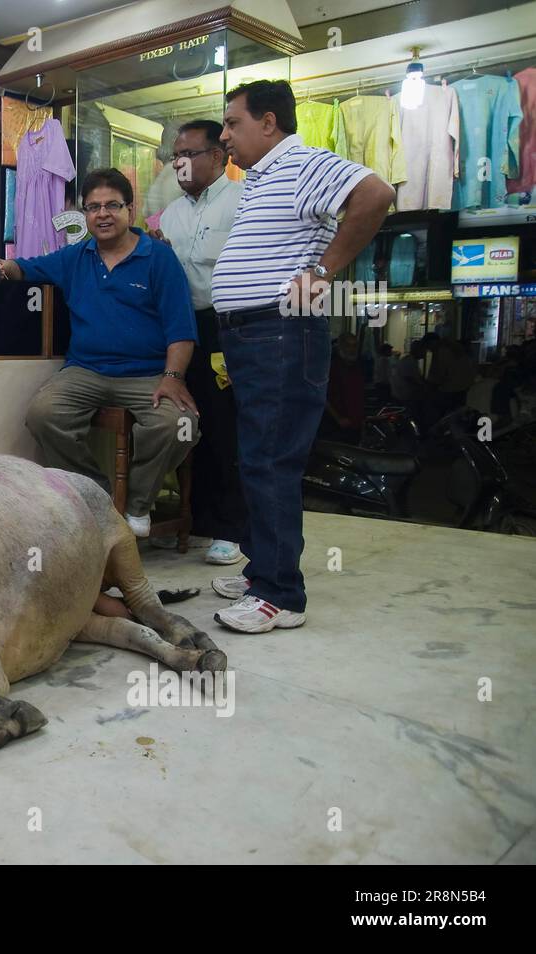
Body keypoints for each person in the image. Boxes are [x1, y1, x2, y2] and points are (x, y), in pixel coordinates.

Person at [210, 80, 395, 633]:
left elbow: (376, 194)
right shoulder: (264, 176)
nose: (224, 136)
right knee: (257, 455)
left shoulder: (302, 160)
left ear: (269, 123)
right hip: (254, 336)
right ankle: (263, 569)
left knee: (272, 459)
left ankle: (280, 596)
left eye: (232, 123)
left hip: (281, 333)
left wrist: (323, 271)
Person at [0, 167, 200, 539]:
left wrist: (173, 377)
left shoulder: (158, 258)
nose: (102, 214)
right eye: (93, 207)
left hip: (148, 373)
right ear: (84, 215)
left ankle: (136, 503)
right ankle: (99, 496)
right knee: (43, 414)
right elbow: (26, 268)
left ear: (130, 211)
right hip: (87, 371)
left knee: (179, 426)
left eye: (112, 205)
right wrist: (5, 266)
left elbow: (181, 330)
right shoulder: (75, 257)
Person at [152, 119, 247, 566]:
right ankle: (202, 520)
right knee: (194, 425)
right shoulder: (170, 214)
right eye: (177, 155)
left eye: (189, 153)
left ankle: (233, 528)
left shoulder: (243, 200)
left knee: (229, 426)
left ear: (218, 155)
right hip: (183, 329)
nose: (181, 162)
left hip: (228, 327)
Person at [321, 333, 365, 444]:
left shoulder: (357, 368)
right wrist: (338, 419)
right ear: (340, 347)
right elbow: (323, 397)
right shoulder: (331, 368)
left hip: (355, 426)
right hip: (336, 429)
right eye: (348, 345)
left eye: (355, 345)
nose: (352, 349)